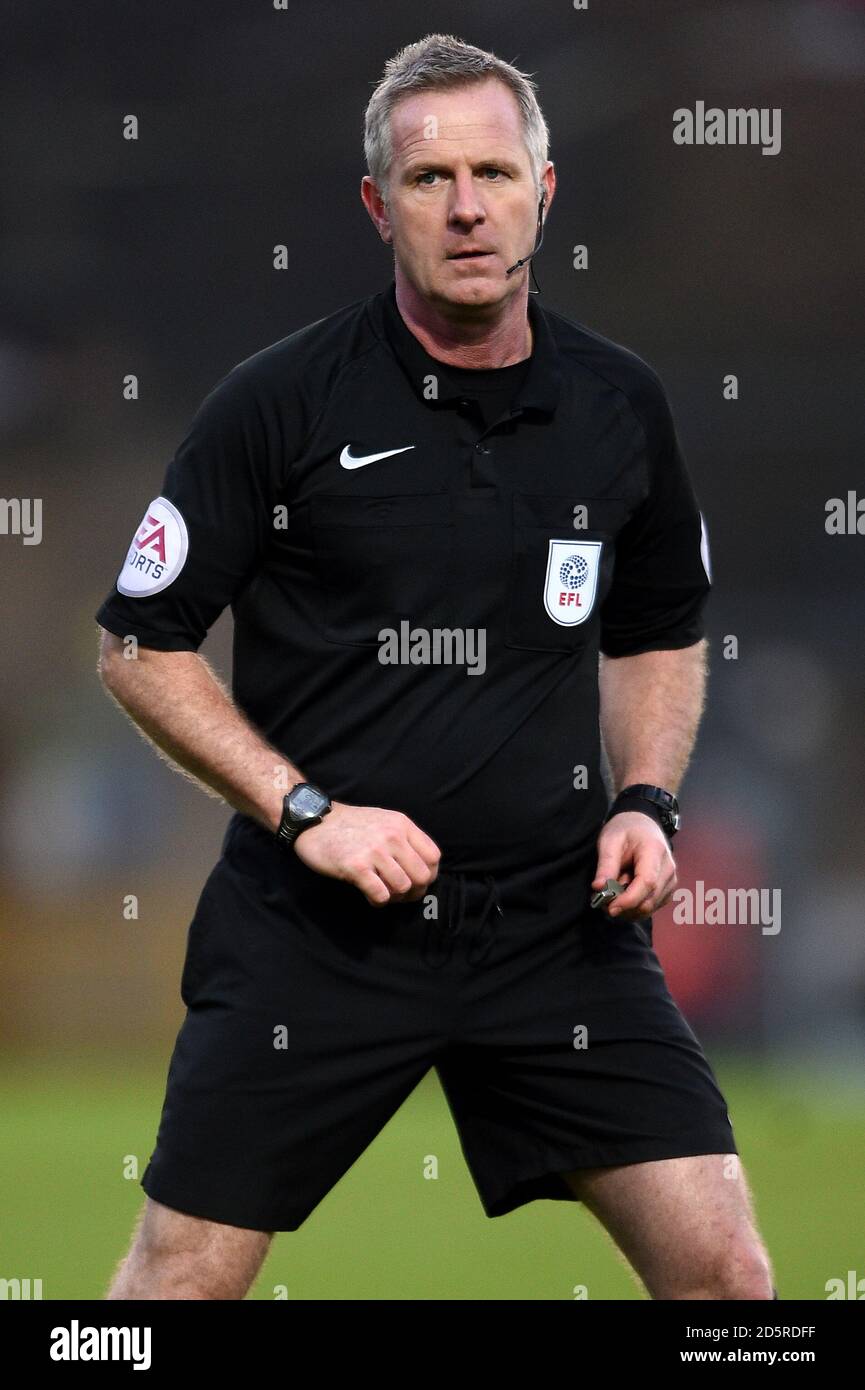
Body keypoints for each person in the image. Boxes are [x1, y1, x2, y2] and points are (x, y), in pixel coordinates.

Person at [95, 33, 776, 1300]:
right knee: (175, 1287)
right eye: (427, 181)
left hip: (555, 929)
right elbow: (140, 645)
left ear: (544, 189)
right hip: (316, 937)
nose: (466, 209)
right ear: (376, 206)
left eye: (493, 173)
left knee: (730, 1283)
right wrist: (305, 813)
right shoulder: (279, 404)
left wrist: (644, 798)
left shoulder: (620, 406)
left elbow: (656, 628)